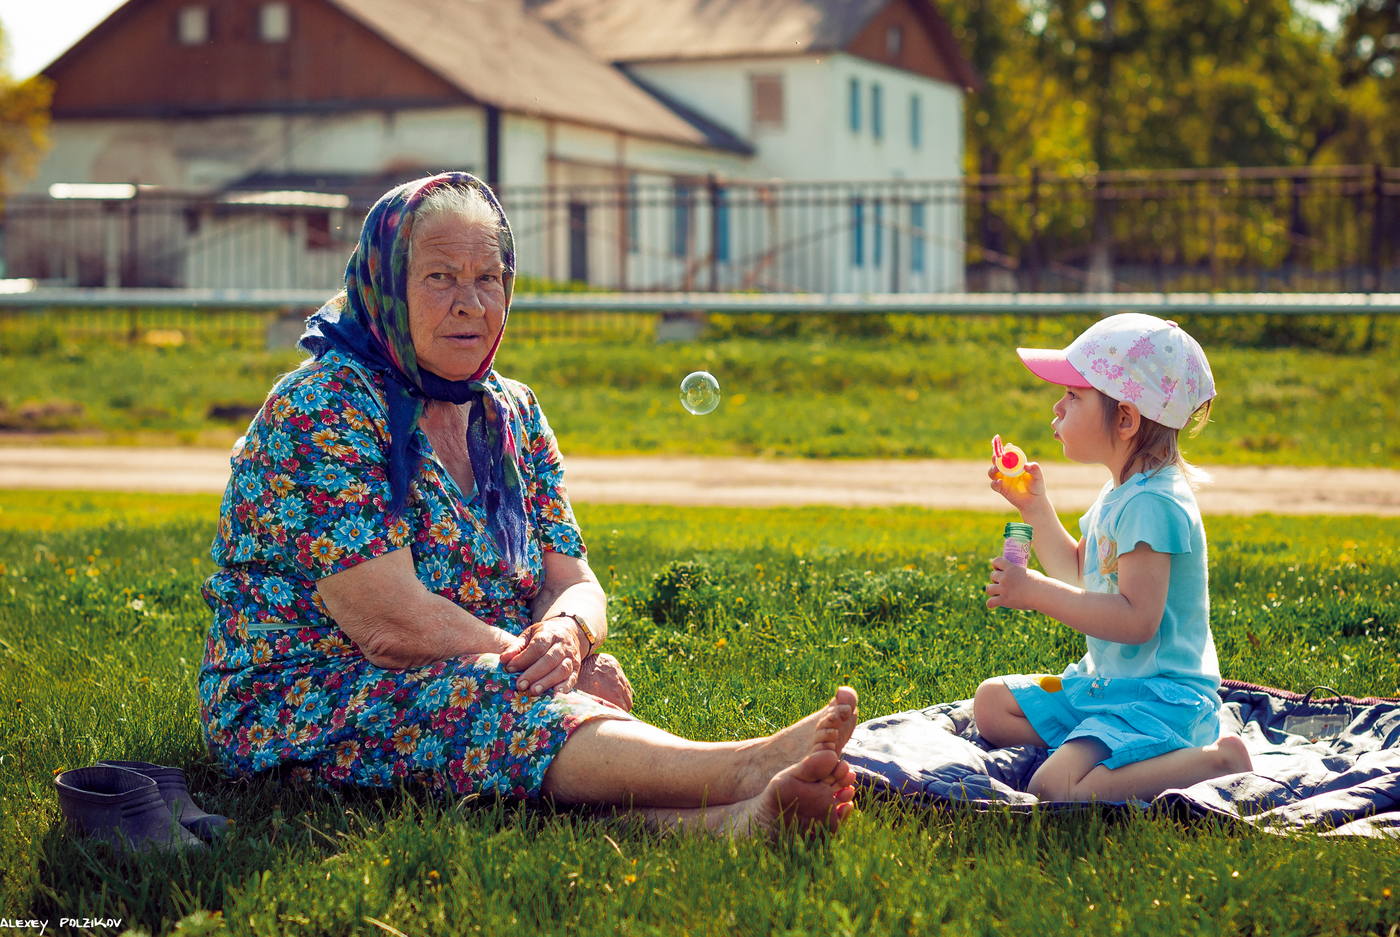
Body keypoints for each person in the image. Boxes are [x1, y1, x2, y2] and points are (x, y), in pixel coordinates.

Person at [198, 172, 859, 835]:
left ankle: (731, 824)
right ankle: (744, 767)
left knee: (530, 687)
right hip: (309, 695)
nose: (470, 304)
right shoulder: (322, 406)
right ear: (385, 285)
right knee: (497, 694)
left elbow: (573, 581)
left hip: (477, 668)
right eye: (440, 277)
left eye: (488, 278)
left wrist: (569, 636)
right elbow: (390, 625)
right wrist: (541, 667)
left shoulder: (511, 410)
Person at [973, 314, 1252, 802]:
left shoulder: (1153, 504)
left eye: (1073, 396)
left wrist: (1035, 592)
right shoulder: (1122, 490)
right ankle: (1104, 751)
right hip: (1109, 687)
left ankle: (1214, 761)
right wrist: (1035, 508)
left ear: (1125, 419)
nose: (1057, 407)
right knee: (991, 704)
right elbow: (1081, 573)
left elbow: (1136, 620)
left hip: (1160, 701)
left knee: (1054, 787)